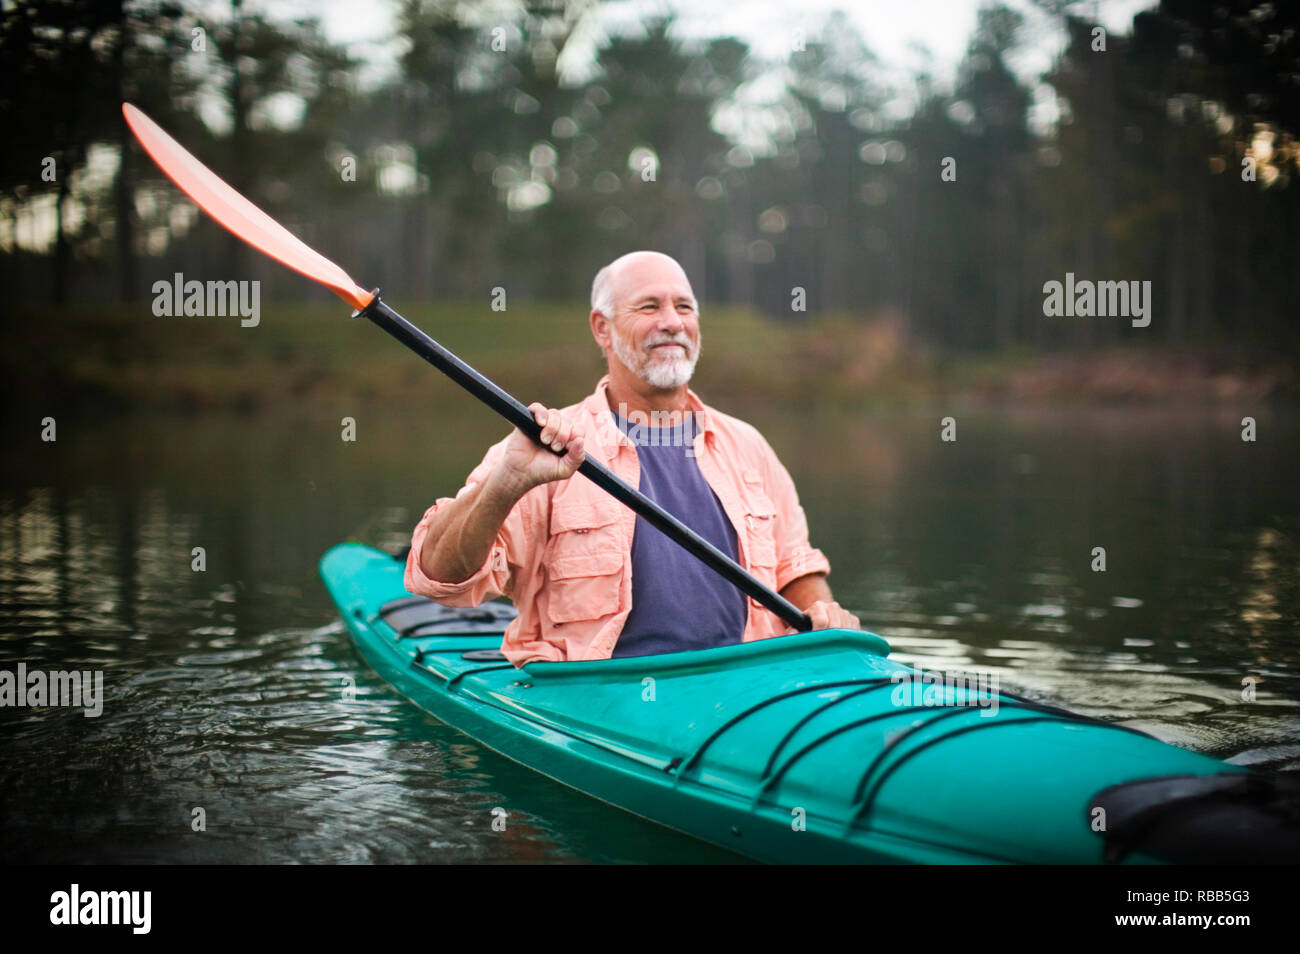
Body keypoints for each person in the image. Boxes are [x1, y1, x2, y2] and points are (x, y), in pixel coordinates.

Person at [405, 250, 860, 665]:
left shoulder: (749, 445)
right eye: (649, 307)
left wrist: (821, 613)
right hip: (600, 700)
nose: (672, 322)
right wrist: (504, 483)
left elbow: (795, 569)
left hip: (744, 688)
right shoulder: (542, 448)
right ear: (601, 328)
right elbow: (439, 579)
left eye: (684, 307)